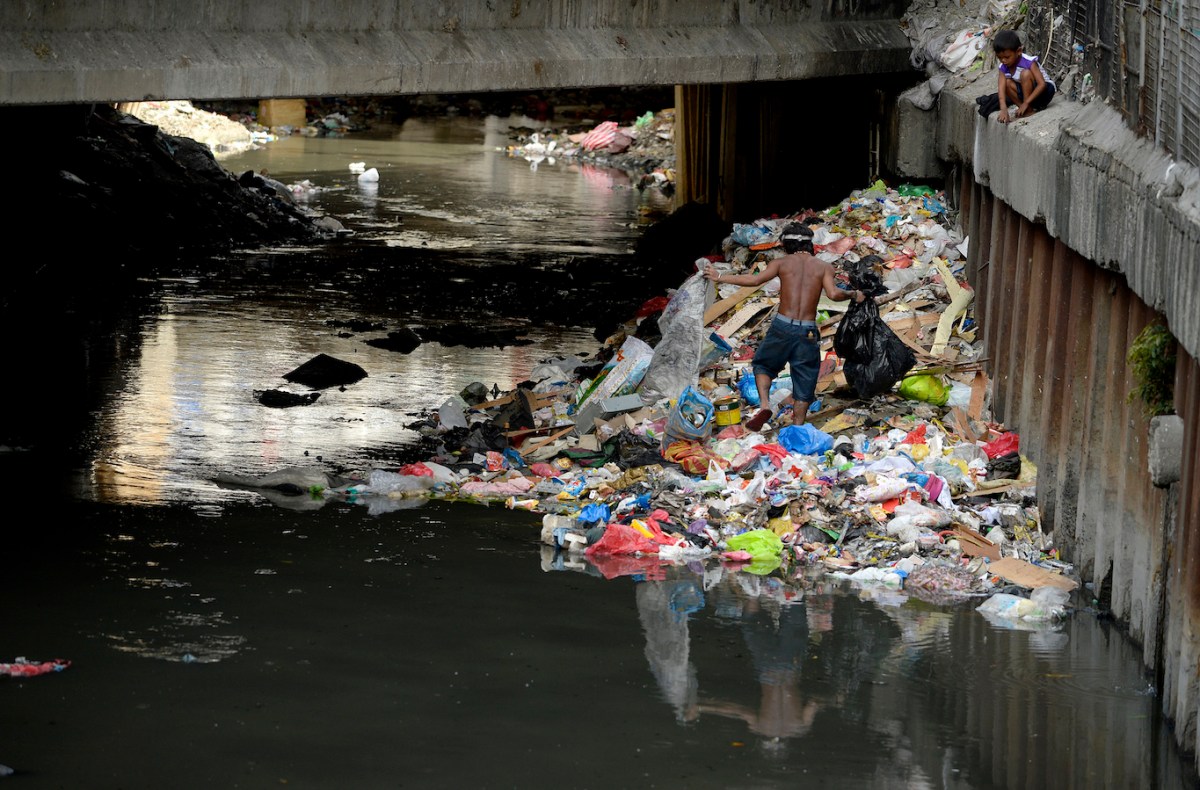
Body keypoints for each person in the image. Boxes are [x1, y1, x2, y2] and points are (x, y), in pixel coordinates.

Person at [704, 222, 864, 432]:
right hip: (807, 329)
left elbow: (754, 281)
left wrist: (719, 276)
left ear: (786, 245)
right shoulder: (824, 267)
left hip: (782, 325)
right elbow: (834, 295)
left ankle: (764, 406)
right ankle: (797, 426)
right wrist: (853, 294)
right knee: (805, 376)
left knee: (763, 365)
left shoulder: (781, 263)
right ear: (810, 246)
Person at [993, 29, 1055, 124]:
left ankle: (1026, 107)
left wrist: (1026, 103)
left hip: (1044, 92)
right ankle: (1027, 110)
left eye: (1007, 57)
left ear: (1019, 51)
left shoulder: (1028, 62)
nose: (1003, 61)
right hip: (1028, 93)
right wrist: (1003, 109)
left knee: (1025, 74)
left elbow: (1042, 84)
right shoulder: (1003, 67)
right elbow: (1001, 88)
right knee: (1007, 83)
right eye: (1000, 58)